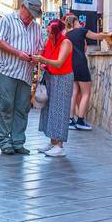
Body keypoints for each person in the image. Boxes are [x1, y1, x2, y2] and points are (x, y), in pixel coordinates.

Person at [0, 0, 45, 155]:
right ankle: (4, 141)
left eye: (33, 15)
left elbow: (40, 47)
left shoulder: (35, 27)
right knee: (4, 106)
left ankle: (18, 141)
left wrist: (36, 57)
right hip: (7, 70)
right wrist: (17, 53)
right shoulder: (7, 20)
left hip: (26, 74)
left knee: (22, 108)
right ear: (22, 7)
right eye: (29, 14)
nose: (31, 18)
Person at [35, 17, 73, 157]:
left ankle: (59, 145)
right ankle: (52, 141)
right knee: (49, 109)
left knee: (60, 109)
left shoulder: (66, 42)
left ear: (57, 32)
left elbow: (59, 63)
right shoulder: (49, 41)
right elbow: (46, 57)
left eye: (51, 32)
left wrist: (43, 60)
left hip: (63, 78)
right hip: (50, 77)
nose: (48, 34)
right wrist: (41, 60)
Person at [64, 12, 108, 130]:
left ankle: (70, 120)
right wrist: (108, 35)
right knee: (86, 93)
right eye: (78, 21)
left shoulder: (67, 35)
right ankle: (81, 120)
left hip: (71, 65)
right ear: (75, 22)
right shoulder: (82, 31)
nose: (80, 23)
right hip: (81, 64)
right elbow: (97, 36)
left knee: (74, 92)